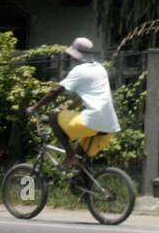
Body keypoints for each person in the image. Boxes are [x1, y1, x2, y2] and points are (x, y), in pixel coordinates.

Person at [26, 37, 120, 171]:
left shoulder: (79, 70)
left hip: (92, 121)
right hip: (108, 124)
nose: (70, 59)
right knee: (81, 162)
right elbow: (85, 96)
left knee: (53, 116)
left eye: (70, 56)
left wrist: (34, 108)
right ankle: (87, 188)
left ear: (75, 57)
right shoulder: (100, 68)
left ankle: (69, 155)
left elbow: (55, 91)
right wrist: (69, 108)